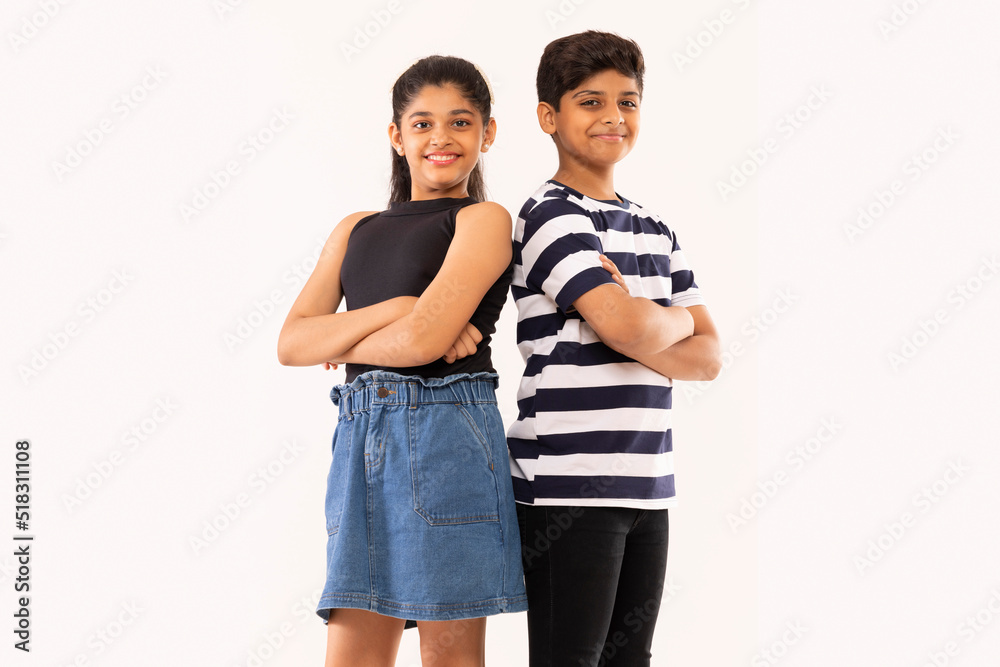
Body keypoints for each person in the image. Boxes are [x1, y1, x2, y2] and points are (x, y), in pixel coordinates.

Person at [277, 55, 528, 667]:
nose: (441, 138)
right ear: (396, 136)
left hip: (446, 436)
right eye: (422, 124)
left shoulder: (482, 219)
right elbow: (291, 344)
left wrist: (337, 341)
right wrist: (401, 307)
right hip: (359, 440)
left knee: (448, 659)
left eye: (461, 122)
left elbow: (419, 344)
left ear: (488, 133)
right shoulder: (355, 228)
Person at [507, 31, 723, 666]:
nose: (613, 116)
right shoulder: (550, 215)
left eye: (627, 102)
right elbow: (630, 328)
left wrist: (637, 318)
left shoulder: (656, 227)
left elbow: (709, 357)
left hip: (647, 482)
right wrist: (660, 321)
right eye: (590, 101)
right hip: (568, 484)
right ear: (549, 116)